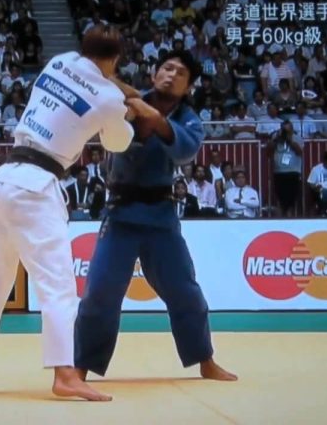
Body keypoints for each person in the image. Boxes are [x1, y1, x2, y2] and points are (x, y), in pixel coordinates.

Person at [0, 25, 135, 401]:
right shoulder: (108, 98)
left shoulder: (59, 62)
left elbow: (89, 75)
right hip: (36, 186)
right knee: (58, 287)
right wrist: (125, 103)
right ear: (116, 60)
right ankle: (65, 374)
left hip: (1, 180)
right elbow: (117, 141)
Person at [74, 50, 237, 383]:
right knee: (100, 291)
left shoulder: (189, 119)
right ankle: (80, 366)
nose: (172, 75)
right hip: (120, 213)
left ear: (187, 87)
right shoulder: (124, 103)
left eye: (181, 74)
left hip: (161, 216)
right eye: (167, 68)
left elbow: (186, 150)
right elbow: (101, 103)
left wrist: (149, 114)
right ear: (153, 75)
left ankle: (204, 359)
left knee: (184, 290)